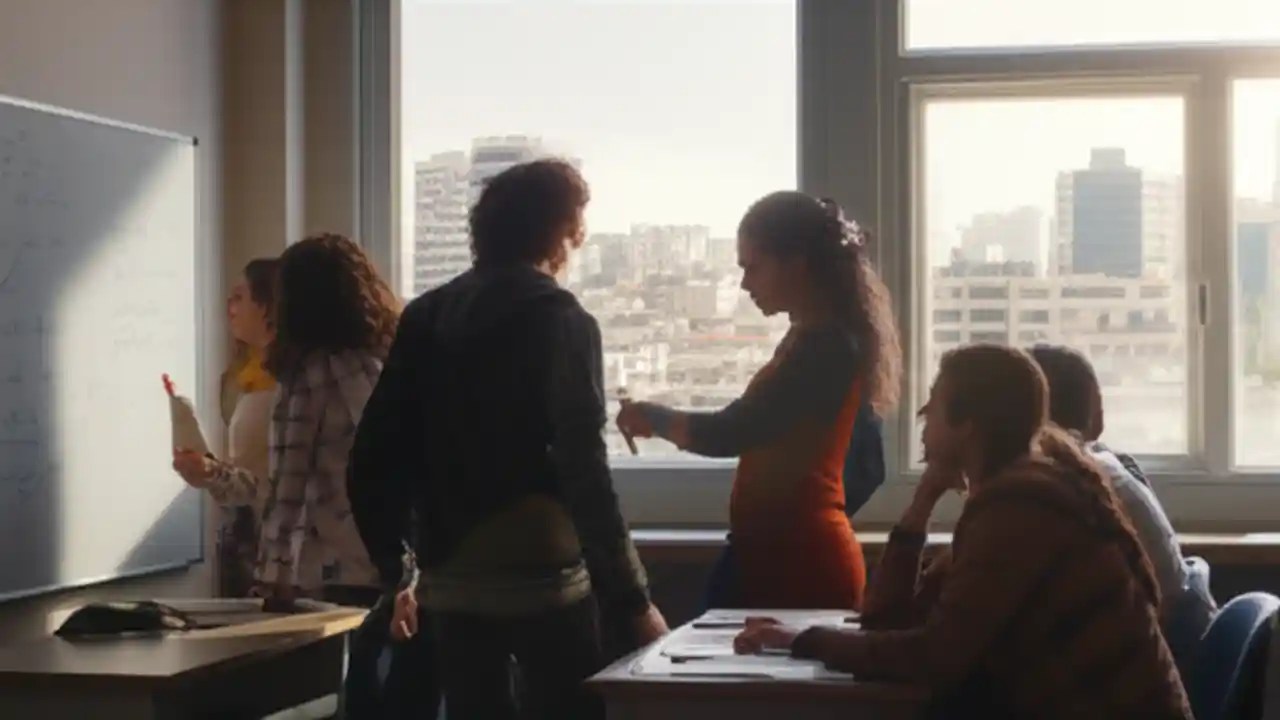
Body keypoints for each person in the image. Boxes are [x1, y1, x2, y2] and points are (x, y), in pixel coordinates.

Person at [348, 158, 666, 720]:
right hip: (543, 575)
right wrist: (633, 600)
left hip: (449, 576)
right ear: (560, 233)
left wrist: (395, 570)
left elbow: (373, 454)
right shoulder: (561, 319)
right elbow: (583, 470)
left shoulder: (426, 315)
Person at [734, 344, 1193, 719]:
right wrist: (922, 503)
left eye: (933, 405)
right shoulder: (1014, 492)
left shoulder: (1020, 507)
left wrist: (801, 640)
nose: (922, 417)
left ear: (968, 425)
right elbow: (888, 620)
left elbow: (935, 658)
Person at [616, 191, 902, 611]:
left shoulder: (824, 348)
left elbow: (732, 432)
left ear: (797, 263)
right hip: (784, 556)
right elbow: (868, 468)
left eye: (753, 267)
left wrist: (654, 417)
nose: (746, 283)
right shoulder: (824, 340)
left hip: (793, 567)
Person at [1028, 343, 1216, 674]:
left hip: (1159, 664)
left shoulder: (1064, 481)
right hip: (1186, 645)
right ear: (1097, 416)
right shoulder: (1108, 462)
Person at [172, 257, 278, 597]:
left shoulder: (292, 385)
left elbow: (262, 486)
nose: (229, 306)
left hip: (282, 563)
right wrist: (210, 471)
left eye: (239, 296)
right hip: (252, 549)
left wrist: (212, 474)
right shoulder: (239, 379)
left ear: (269, 306)